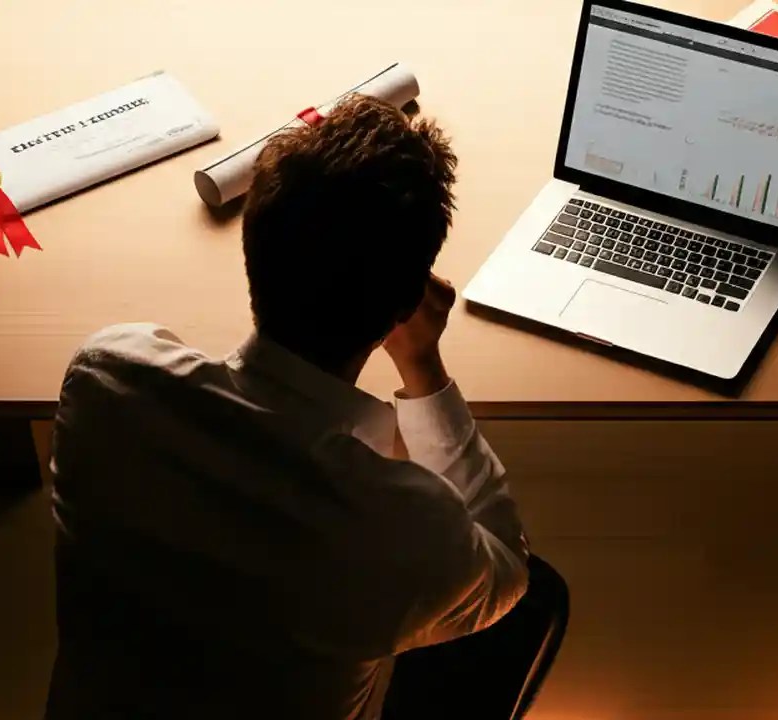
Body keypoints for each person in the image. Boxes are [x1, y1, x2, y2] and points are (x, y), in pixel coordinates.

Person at [45, 94, 568, 720]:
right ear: (403, 305)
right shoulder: (401, 529)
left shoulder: (105, 381)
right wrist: (422, 366)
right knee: (540, 598)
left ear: (252, 240)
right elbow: (508, 568)